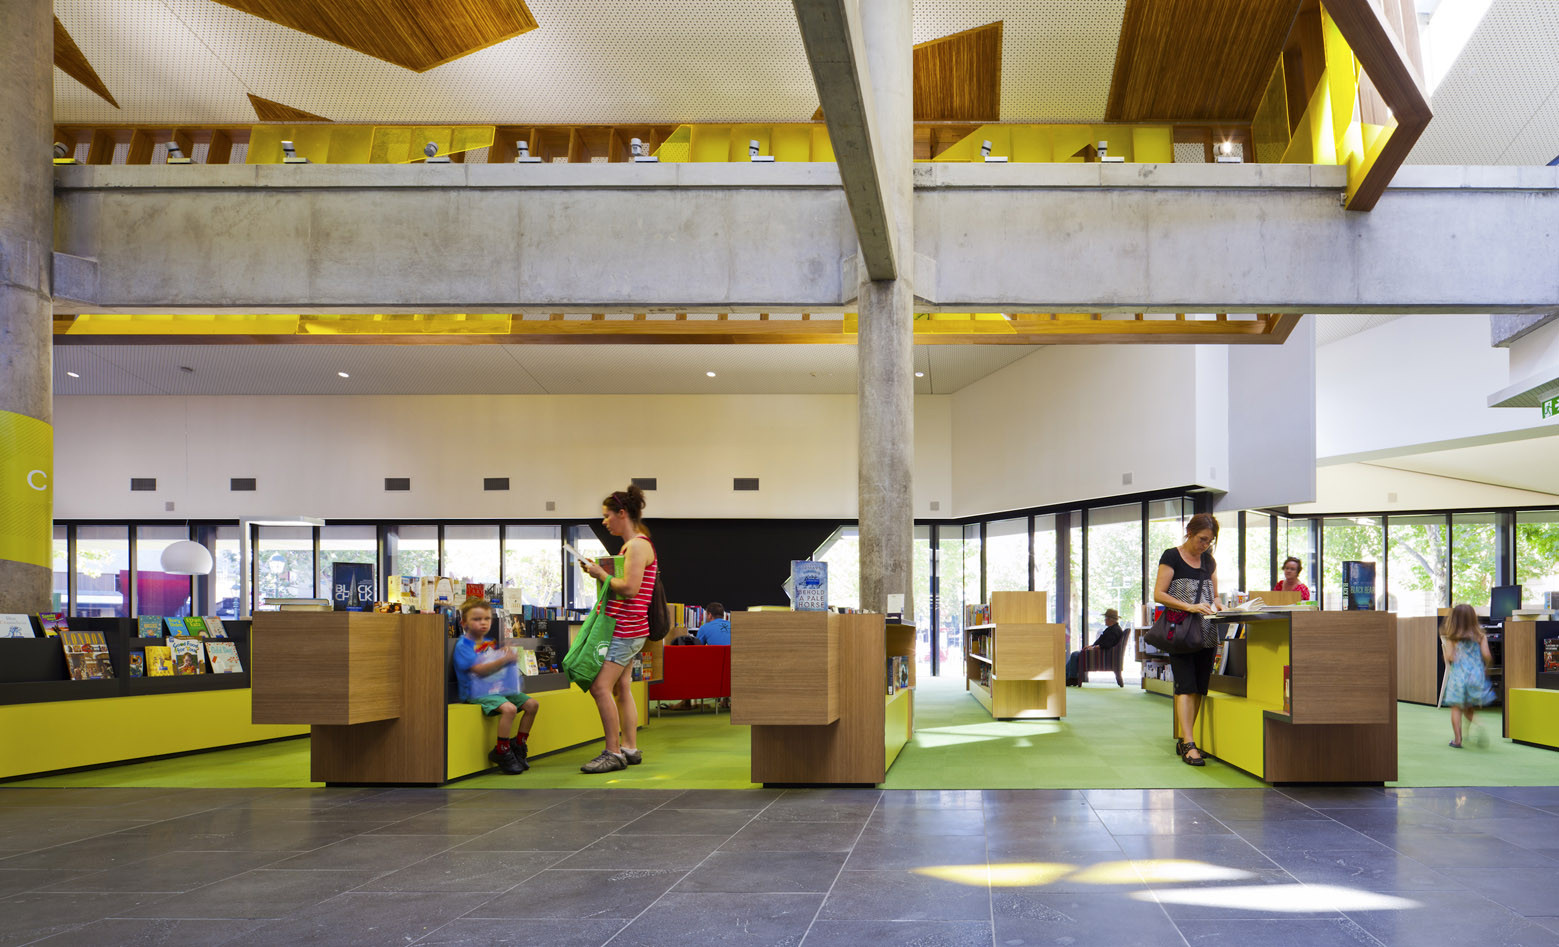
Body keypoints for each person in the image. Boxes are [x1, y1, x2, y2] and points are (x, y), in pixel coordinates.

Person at [576, 484, 657, 773]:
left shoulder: (636, 546)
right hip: (632, 628)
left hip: (625, 628)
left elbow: (631, 588)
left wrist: (601, 575)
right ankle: (630, 748)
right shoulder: (638, 544)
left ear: (622, 513)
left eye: (607, 515)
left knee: (600, 687)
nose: (604, 521)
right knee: (622, 686)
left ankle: (612, 751)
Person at [1153, 513, 1221, 766]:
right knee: (1185, 685)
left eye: (1209, 541)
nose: (1204, 545)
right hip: (1180, 629)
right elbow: (1159, 593)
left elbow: (1214, 595)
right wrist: (1189, 607)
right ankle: (1189, 743)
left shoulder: (1209, 561)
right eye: (1202, 539)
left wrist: (1220, 605)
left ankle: (1186, 739)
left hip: (1206, 631)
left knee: (1200, 687)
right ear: (1189, 532)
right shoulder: (1171, 556)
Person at [452, 598, 537, 775]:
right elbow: (479, 671)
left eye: (486, 618)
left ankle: (519, 745)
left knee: (532, 705)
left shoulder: (488, 643)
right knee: (509, 709)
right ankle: (502, 750)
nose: (482, 623)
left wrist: (506, 657)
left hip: (495, 689)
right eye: (476, 619)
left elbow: (494, 667)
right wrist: (503, 659)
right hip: (475, 692)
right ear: (464, 623)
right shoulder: (464, 646)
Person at [1440, 603, 1496, 748]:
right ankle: (1479, 724)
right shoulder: (1480, 636)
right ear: (1473, 618)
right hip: (1475, 676)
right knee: (1469, 708)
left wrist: (1451, 655)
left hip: (1459, 676)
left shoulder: (1453, 637)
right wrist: (1485, 667)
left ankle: (1457, 740)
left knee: (1456, 708)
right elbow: (1487, 655)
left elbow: (1450, 657)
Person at [1065, 608, 1127, 686]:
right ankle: (1068, 677)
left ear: (1110, 619)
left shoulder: (1113, 631)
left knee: (1074, 655)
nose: (1105, 620)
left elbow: (1107, 644)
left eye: (1106, 618)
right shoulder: (1113, 629)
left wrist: (1094, 648)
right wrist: (1091, 646)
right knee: (1075, 655)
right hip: (1102, 653)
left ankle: (1072, 678)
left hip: (1101, 655)